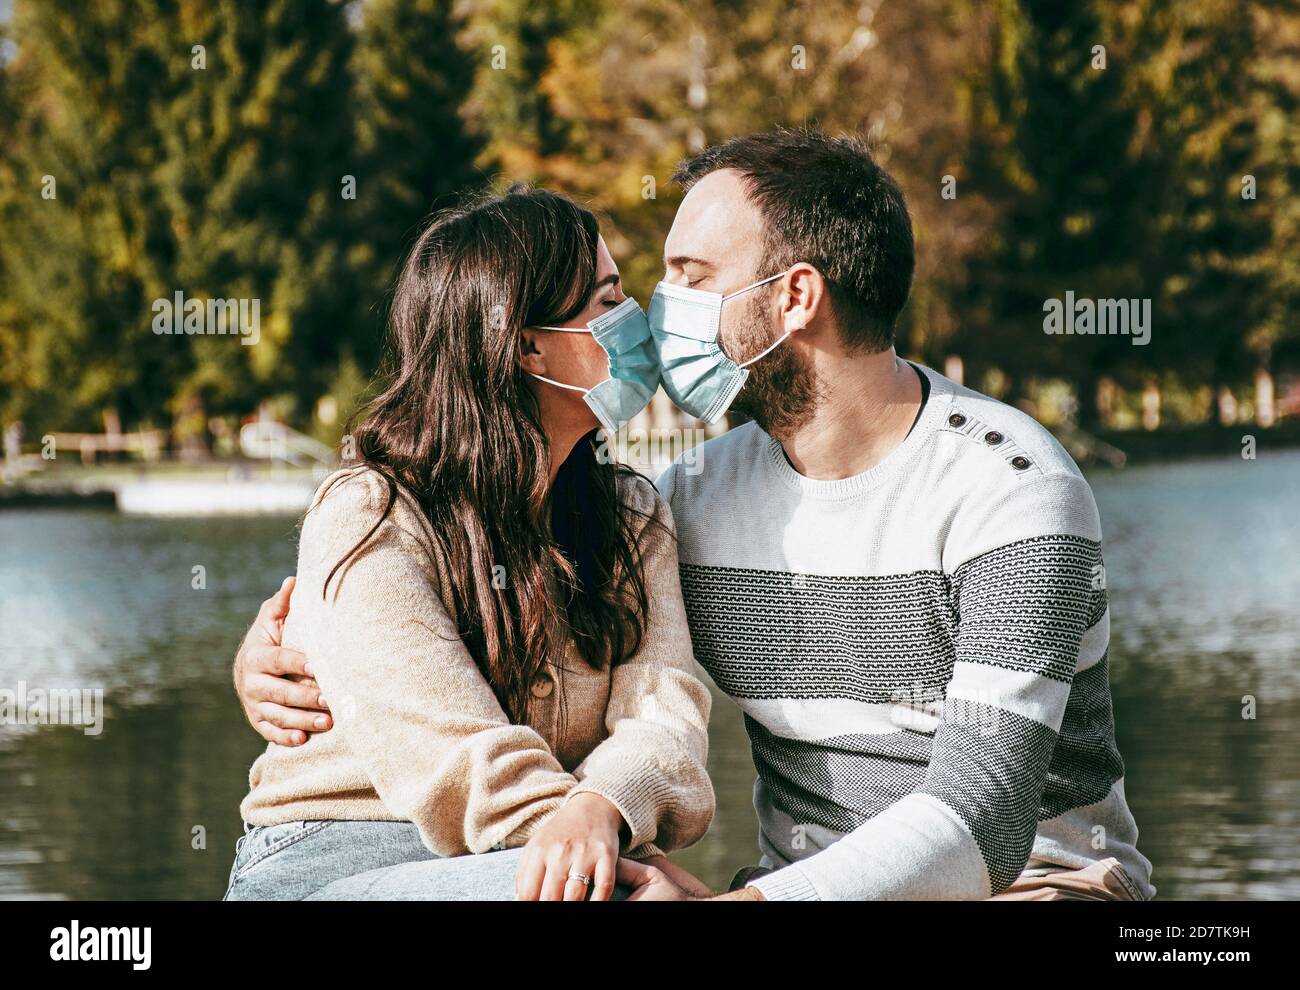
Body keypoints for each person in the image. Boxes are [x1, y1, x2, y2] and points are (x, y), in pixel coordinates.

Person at [238, 128, 1155, 903]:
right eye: (632, 290)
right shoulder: (697, 499)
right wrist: (279, 644)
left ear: (794, 298)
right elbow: (387, 598)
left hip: (1029, 887)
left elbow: (983, 814)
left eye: (687, 276)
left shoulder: (1010, 490)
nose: (652, 312)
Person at [223, 187, 714, 901]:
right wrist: (620, 865)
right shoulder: (369, 515)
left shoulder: (634, 516)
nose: (634, 321)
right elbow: (455, 761)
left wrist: (602, 813)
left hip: (546, 855)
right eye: (607, 302)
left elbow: (665, 719)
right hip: (333, 860)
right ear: (524, 344)